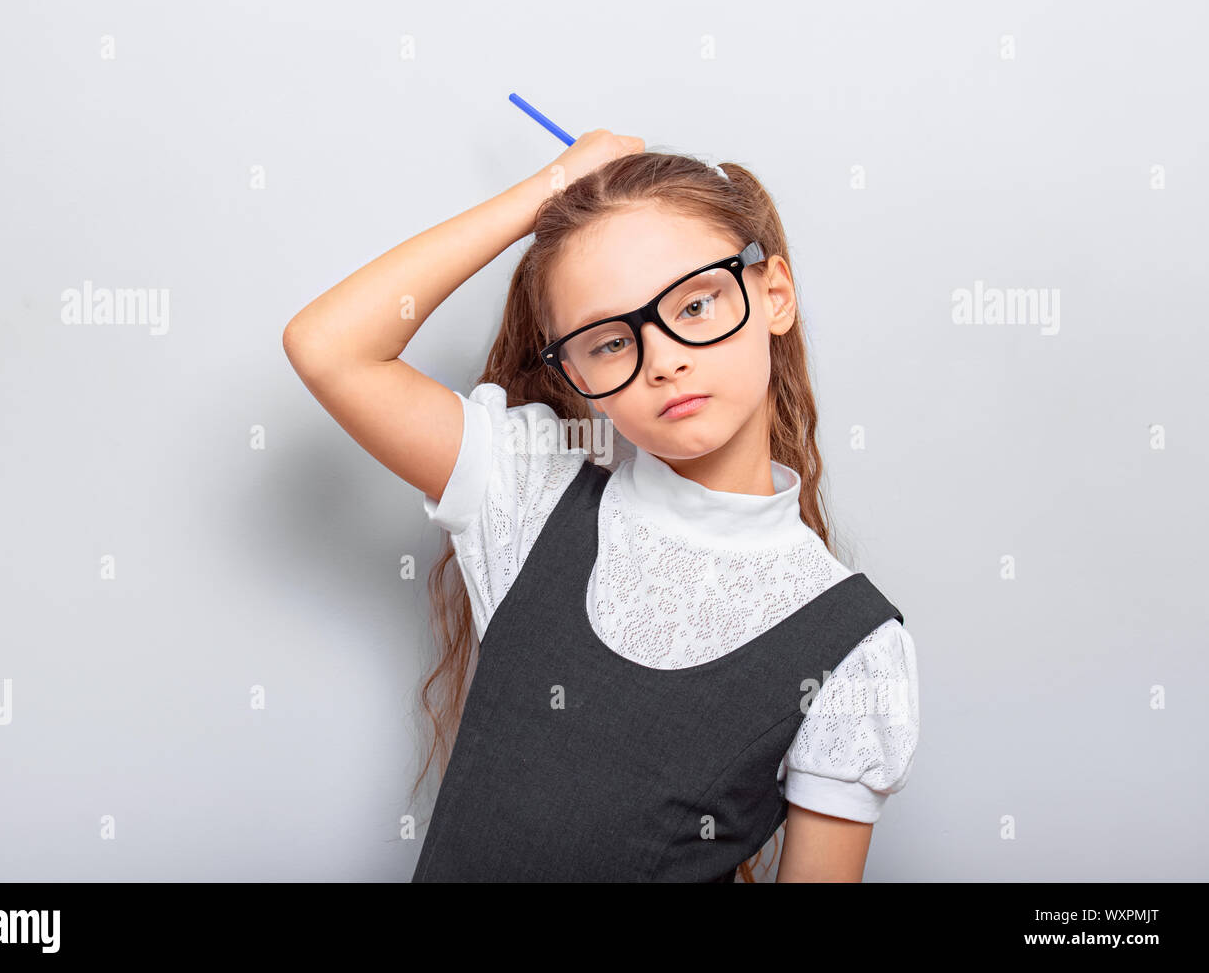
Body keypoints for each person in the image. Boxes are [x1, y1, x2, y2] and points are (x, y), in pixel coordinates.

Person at [283, 130, 919, 882]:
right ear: (572, 370)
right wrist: (544, 192)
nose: (664, 360)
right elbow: (328, 345)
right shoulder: (528, 491)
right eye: (611, 341)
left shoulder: (854, 645)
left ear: (773, 295)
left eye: (698, 301)